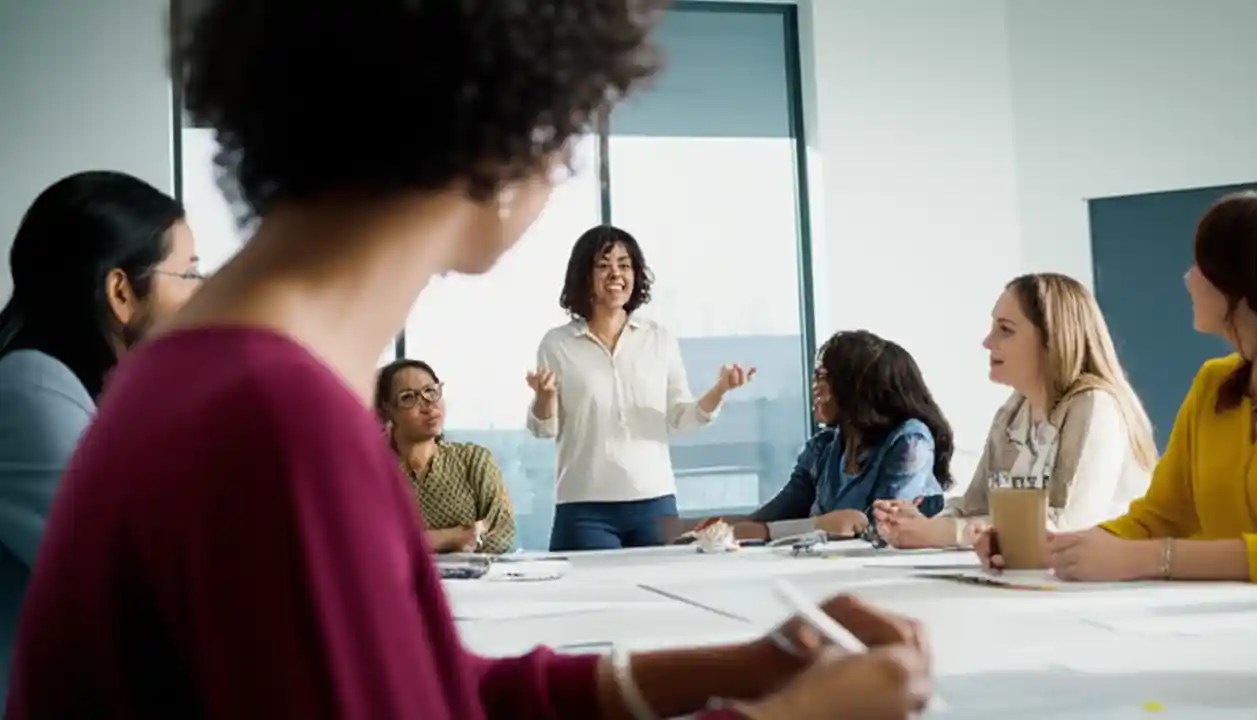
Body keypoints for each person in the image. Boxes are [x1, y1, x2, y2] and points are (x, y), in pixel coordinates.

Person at [6, 3, 932, 719]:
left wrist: (744, 665)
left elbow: (439, 691)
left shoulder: (209, 380)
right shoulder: (272, 425)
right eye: (567, 127)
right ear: (498, 138)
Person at [1006, 191, 1257, 585]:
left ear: (1245, 281)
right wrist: (1050, 549)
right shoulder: (1213, 383)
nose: (1187, 277)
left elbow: (1151, 547)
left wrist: (1157, 559)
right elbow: (1159, 516)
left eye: (1201, 264)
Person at [0, 170, 200, 703]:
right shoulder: (32, 392)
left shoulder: (77, 390)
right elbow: (138, 585)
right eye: (189, 275)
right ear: (120, 293)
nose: (202, 298)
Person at [875, 273, 1158, 551]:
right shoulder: (1013, 411)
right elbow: (976, 506)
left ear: (1053, 340)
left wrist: (943, 533)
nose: (987, 342)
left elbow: (1070, 524)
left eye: (1005, 329)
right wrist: (920, 523)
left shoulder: (1095, 405)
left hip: (1106, 586)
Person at [527, 224, 756, 552]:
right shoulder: (557, 343)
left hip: (654, 505)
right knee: (591, 601)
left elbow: (682, 418)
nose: (615, 274)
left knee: (662, 601)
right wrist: (544, 397)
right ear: (584, 276)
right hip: (584, 508)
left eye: (624, 265)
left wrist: (719, 389)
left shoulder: (658, 338)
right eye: (603, 266)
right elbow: (544, 429)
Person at [689, 331, 953, 542]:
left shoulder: (910, 441)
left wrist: (773, 531)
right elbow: (777, 514)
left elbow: (881, 530)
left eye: (822, 376)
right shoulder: (824, 446)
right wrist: (721, 528)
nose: (814, 386)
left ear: (855, 385)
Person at [376, 359, 517, 554]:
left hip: (475, 582)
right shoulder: (374, 474)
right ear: (387, 409)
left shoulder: (473, 460)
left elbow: (502, 533)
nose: (428, 406)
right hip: (399, 583)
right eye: (408, 398)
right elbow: (370, 545)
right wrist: (453, 536)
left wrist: (414, 543)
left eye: (431, 392)